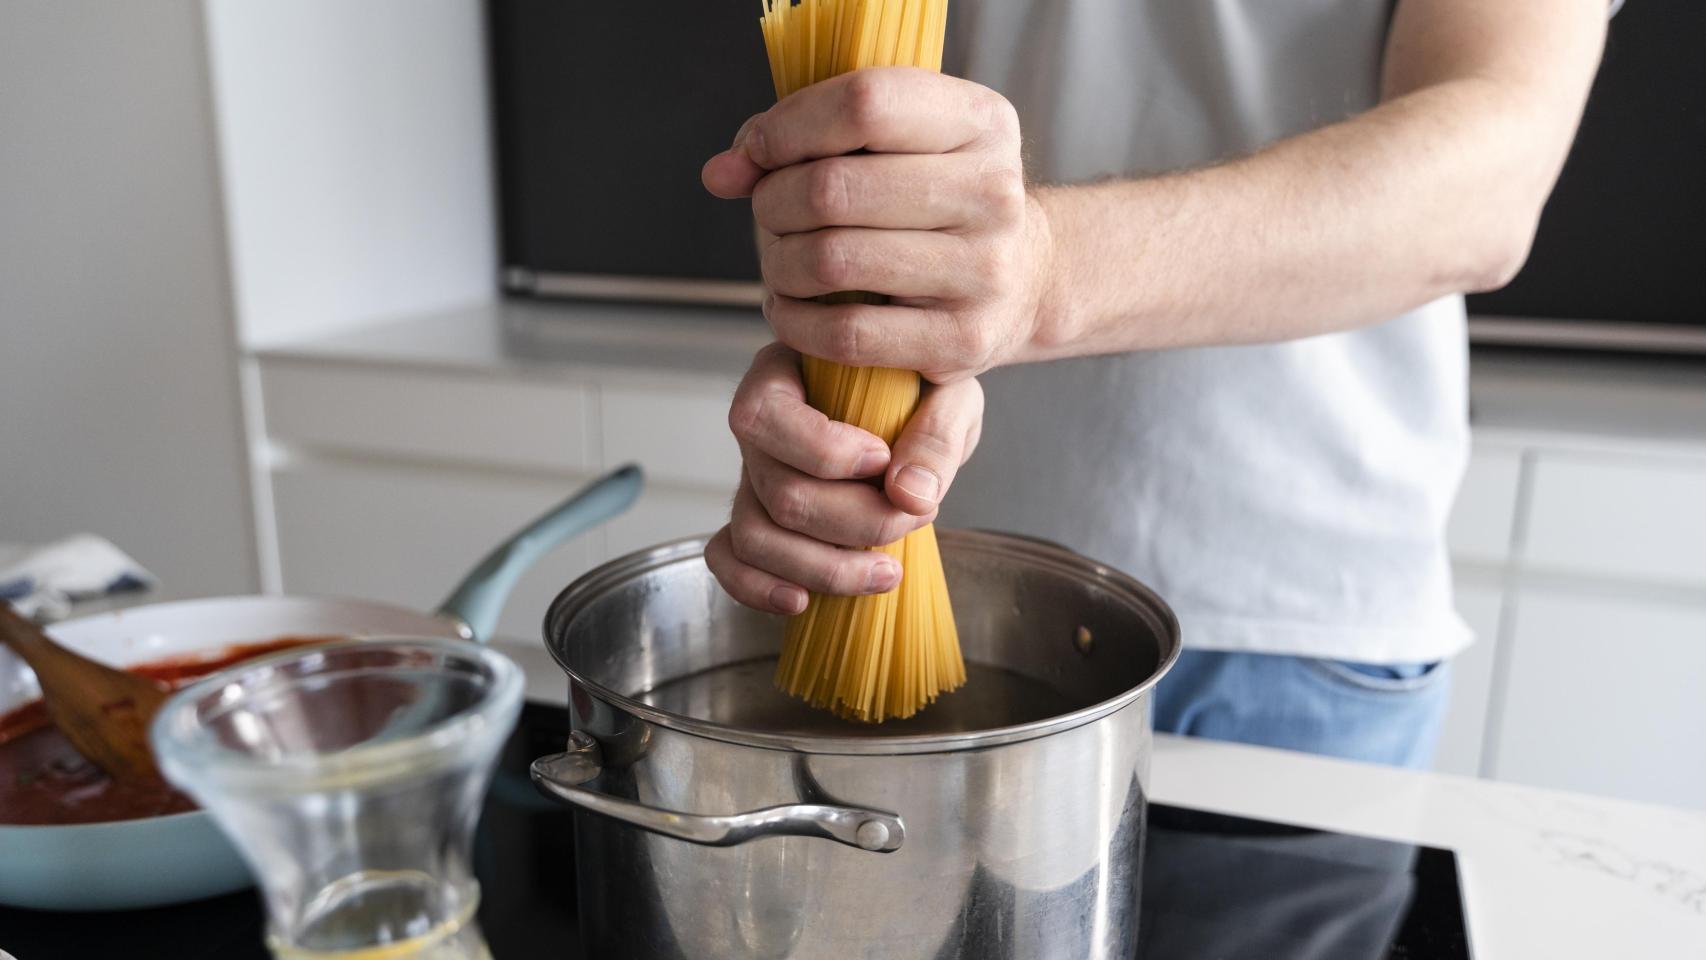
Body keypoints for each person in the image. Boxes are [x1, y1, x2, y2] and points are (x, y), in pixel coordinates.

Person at [699, 0, 1610, 768]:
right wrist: (844, 358)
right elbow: (867, 134)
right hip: (950, 585)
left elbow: (1491, 171)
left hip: (1295, 633)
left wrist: (1043, 278)